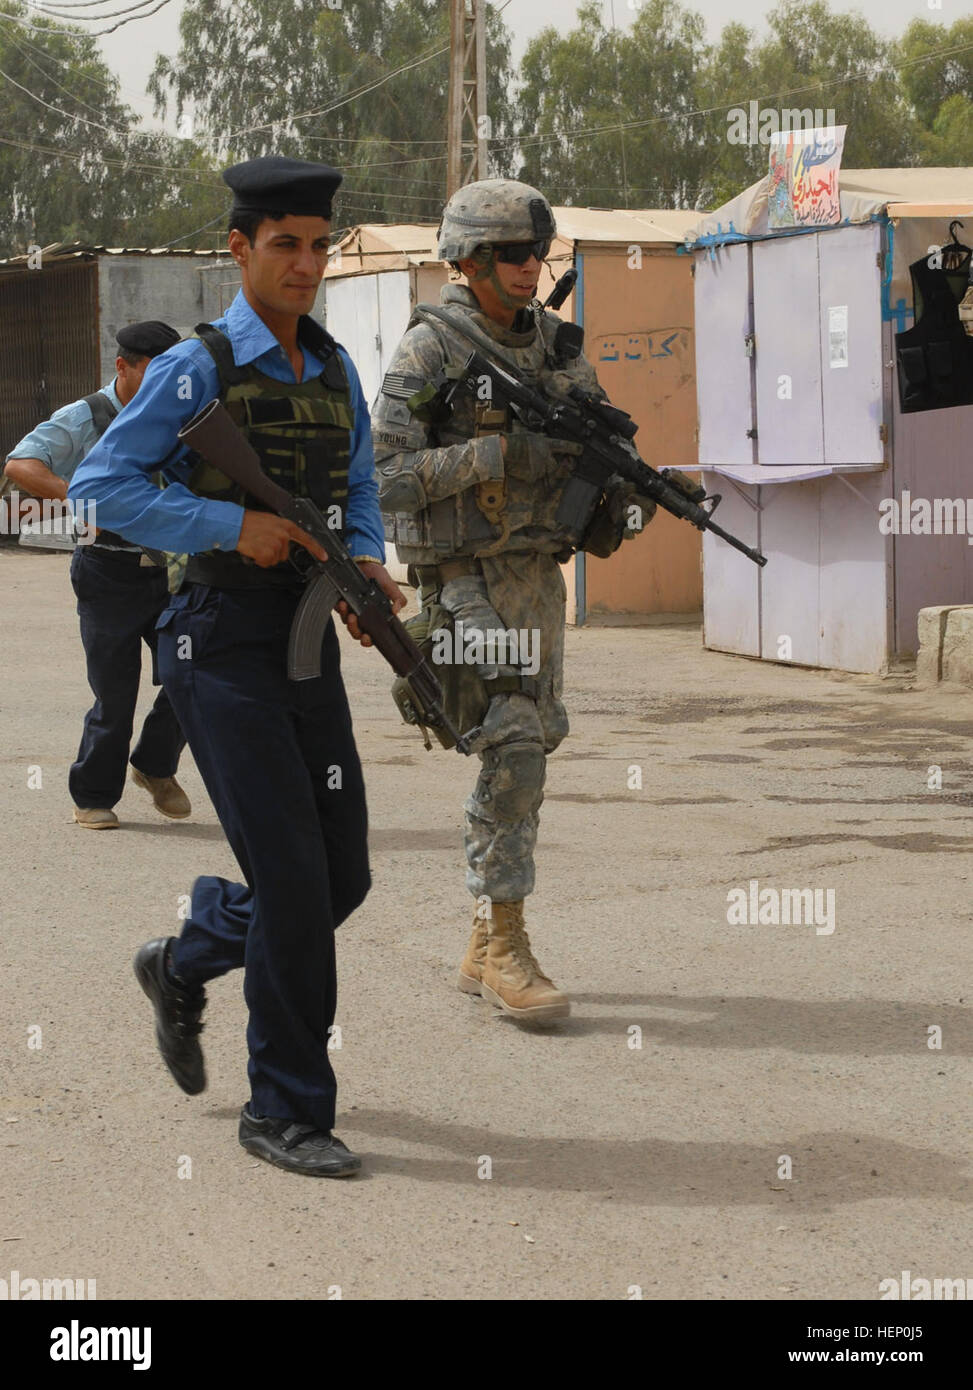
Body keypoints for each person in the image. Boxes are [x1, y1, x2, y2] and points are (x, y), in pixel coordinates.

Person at [69, 155, 403, 1178]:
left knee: (339, 871)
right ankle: (286, 1108)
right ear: (241, 249)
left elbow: (357, 483)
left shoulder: (336, 365)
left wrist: (364, 566)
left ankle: (185, 956)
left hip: (302, 635)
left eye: (318, 245)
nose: (305, 264)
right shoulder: (197, 367)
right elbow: (100, 483)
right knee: (297, 882)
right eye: (285, 244)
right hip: (215, 639)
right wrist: (231, 522)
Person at [372, 179, 658, 1025]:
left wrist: (619, 488)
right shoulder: (431, 352)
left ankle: (480, 934)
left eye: (539, 251)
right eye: (511, 253)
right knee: (513, 742)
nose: (530, 267)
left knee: (533, 752)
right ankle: (505, 945)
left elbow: (592, 442)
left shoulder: (559, 350)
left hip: (534, 576)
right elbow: (386, 481)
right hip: (458, 577)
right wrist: (501, 458)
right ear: (465, 261)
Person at [4, 321, 189, 829]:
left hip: (173, 569)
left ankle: (154, 766)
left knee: (192, 673)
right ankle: (93, 796)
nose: (159, 387)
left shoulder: (180, 411)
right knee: (116, 695)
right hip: (107, 570)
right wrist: (78, 495)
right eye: (149, 374)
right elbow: (21, 465)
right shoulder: (88, 415)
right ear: (122, 367)